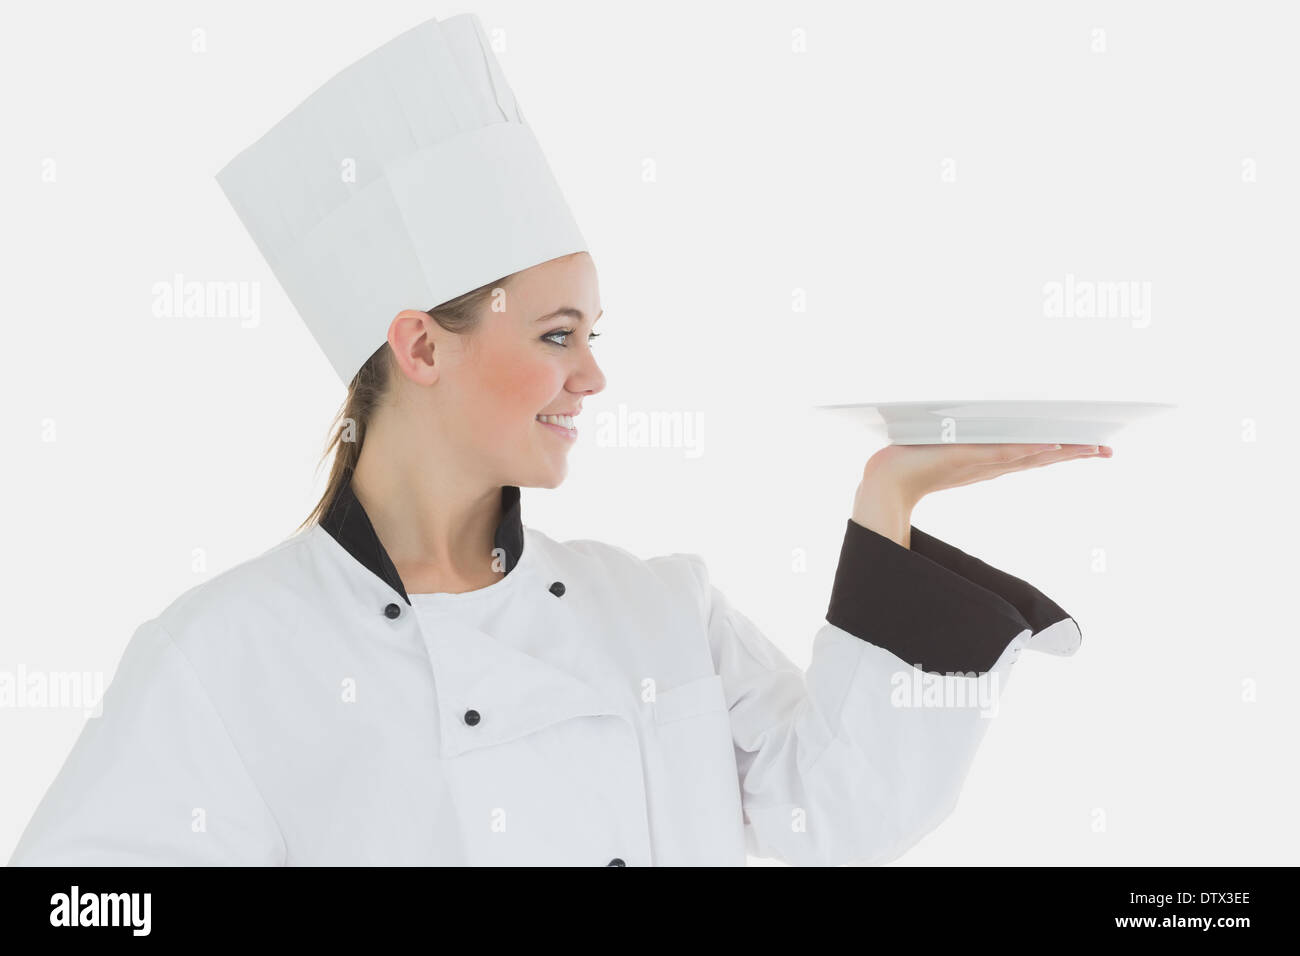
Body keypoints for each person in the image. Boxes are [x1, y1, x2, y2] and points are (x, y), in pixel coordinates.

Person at [8, 14, 1108, 867]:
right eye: (554, 334)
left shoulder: (660, 607)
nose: (592, 374)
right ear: (421, 347)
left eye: (593, 333)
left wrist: (888, 502)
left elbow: (838, 813)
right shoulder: (226, 651)